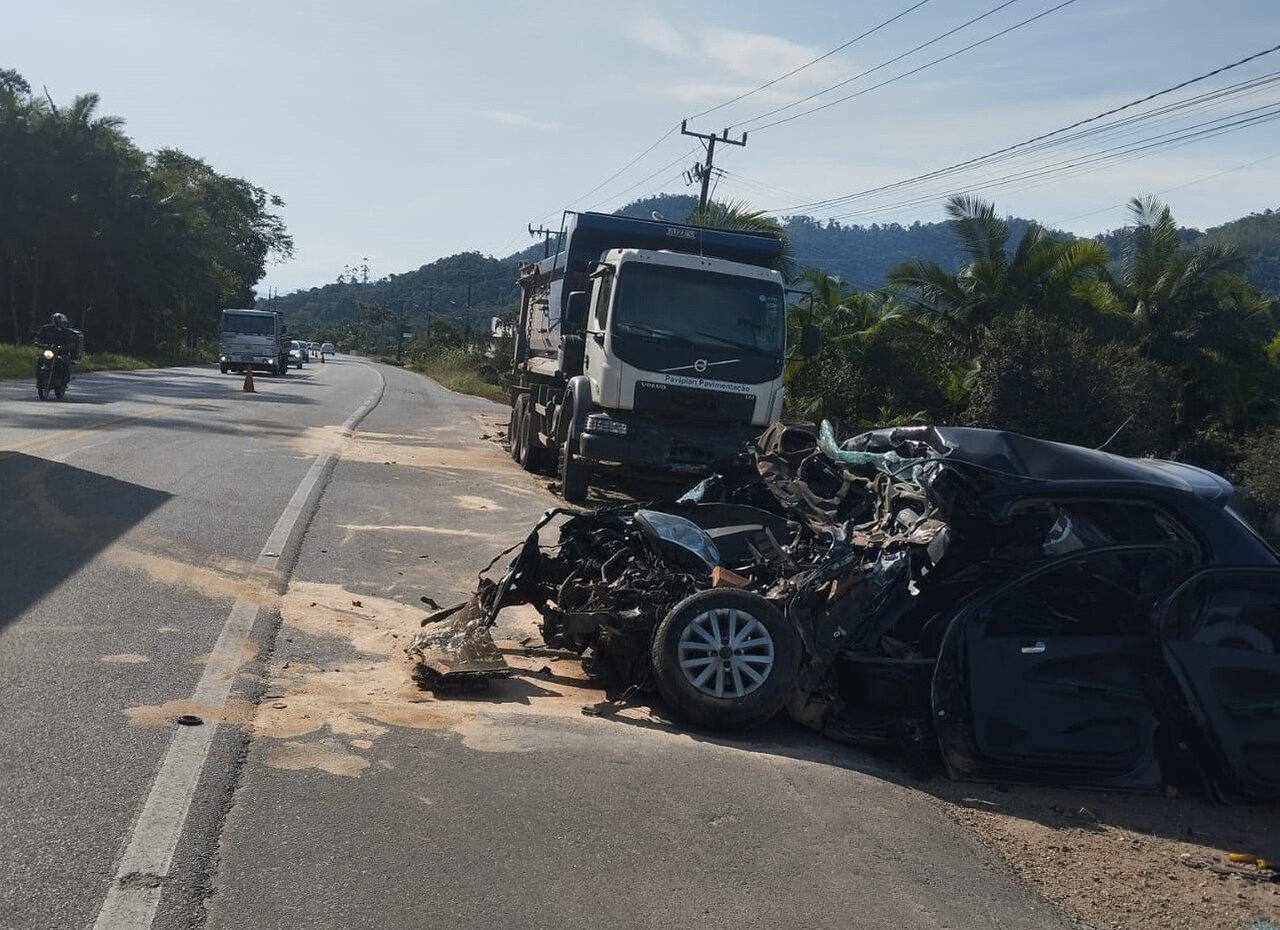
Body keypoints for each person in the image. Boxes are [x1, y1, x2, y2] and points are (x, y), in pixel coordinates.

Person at [35, 313, 80, 383]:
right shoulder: (46, 329)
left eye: (59, 322)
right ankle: (39, 378)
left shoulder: (68, 332)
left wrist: (67, 347)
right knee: (40, 359)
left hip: (61, 352)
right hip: (48, 351)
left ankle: (64, 380)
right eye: (56, 321)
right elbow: (39, 337)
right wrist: (38, 343)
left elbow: (72, 341)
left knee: (65, 361)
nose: (57, 324)